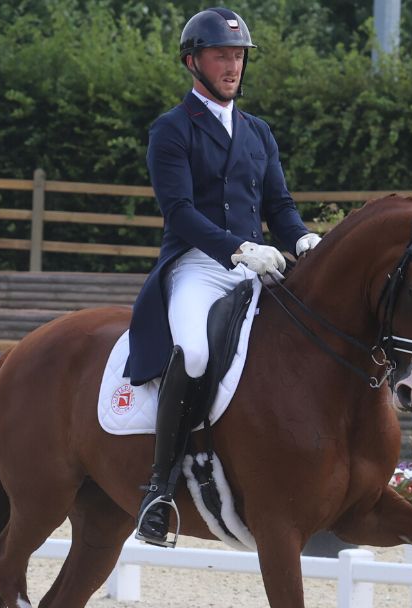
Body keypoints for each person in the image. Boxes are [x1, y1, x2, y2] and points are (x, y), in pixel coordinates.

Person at [125, 6, 322, 547]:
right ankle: (159, 490)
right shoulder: (171, 129)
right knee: (191, 352)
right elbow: (181, 212)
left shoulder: (257, 132)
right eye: (221, 55)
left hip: (256, 267)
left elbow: (279, 205)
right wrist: (239, 249)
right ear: (194, 61)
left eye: (238, 56)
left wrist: (301, 237)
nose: (232, 65)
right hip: (199, 266)